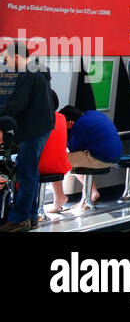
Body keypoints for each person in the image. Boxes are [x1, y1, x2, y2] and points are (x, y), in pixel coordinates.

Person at [0, 40, 55, 231]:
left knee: (25, 174)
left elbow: (17, 103)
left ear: (16, 57)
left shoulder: (29, 74)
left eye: (7, 60)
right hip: (41, 128)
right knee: (30, 171)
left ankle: (19, 219)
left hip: (33, 129)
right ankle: (31, 215)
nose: (6, 64)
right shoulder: (38, 70)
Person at [61, 104, 123, 210]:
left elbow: (73, 149)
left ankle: (68, 197)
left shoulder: (79, 125)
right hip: (115, 156)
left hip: (102, 158)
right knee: (75, 160)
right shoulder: (95, 114)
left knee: (62, 160)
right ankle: (91, 193)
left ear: (70, 121)